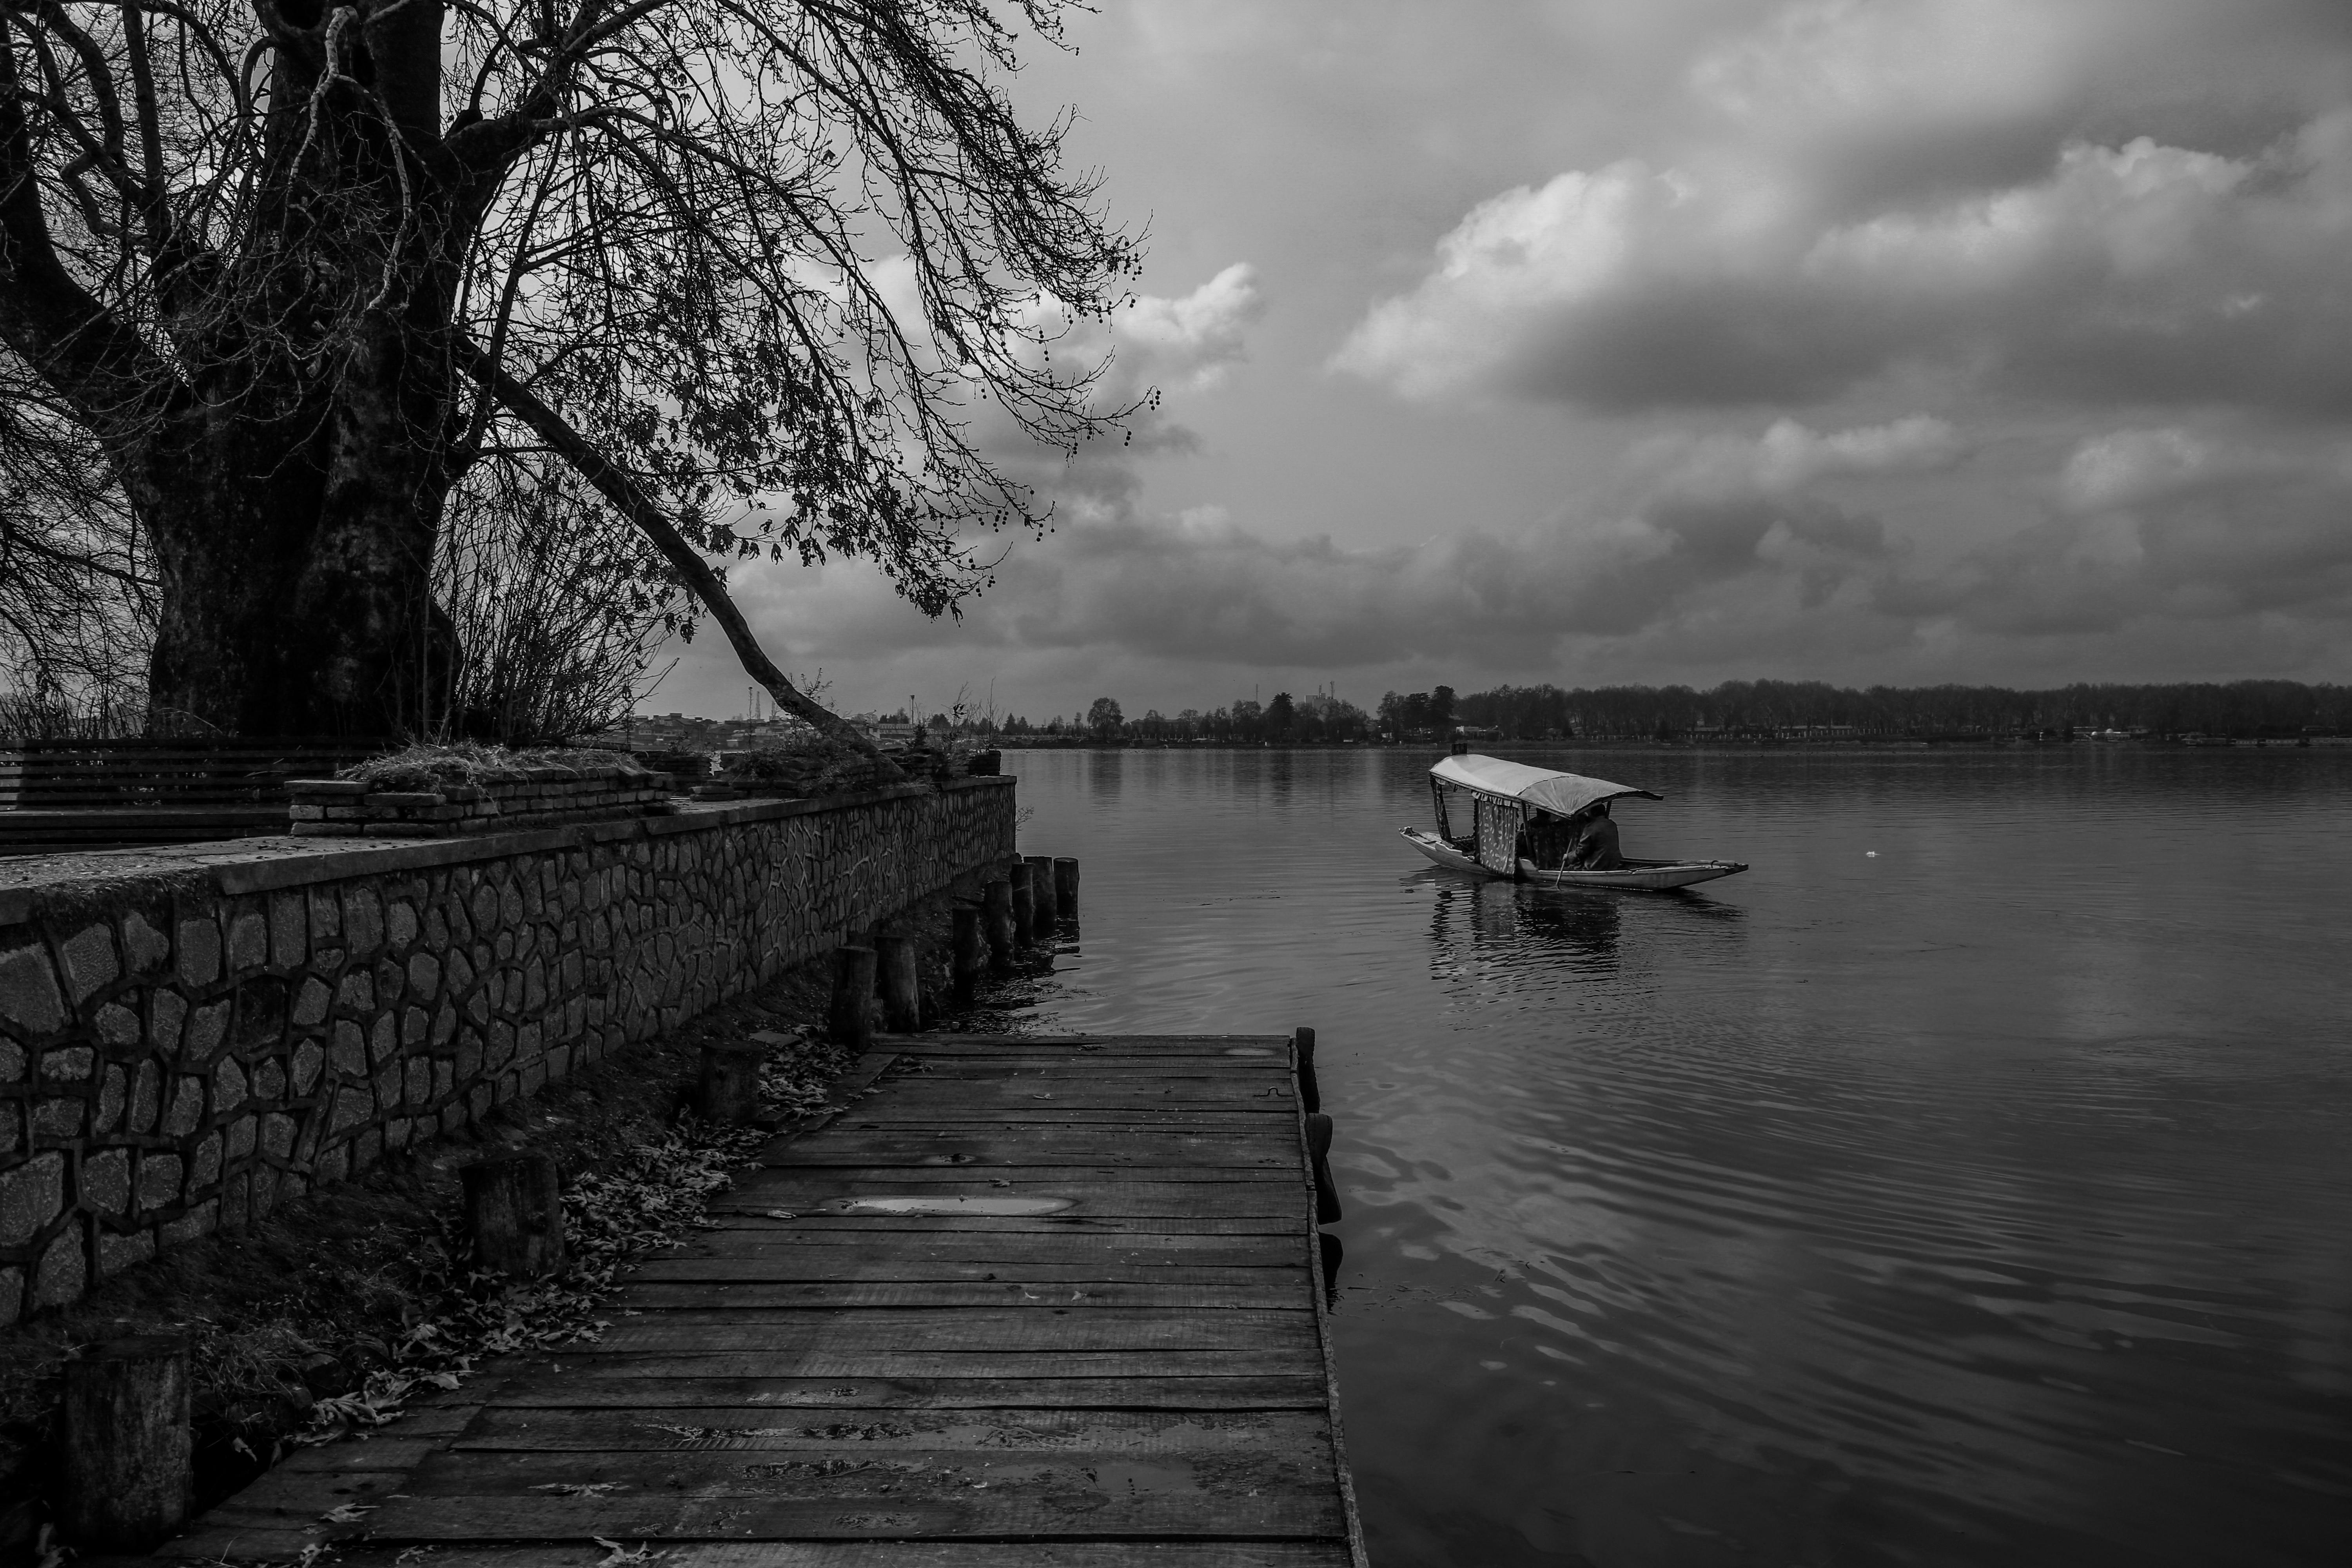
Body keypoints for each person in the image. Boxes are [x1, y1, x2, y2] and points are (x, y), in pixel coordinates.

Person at [1564, 800, 1626, 871]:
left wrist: (1568, 856)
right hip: (1614, 864)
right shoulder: (1612, 824)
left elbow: (1582, 851)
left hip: (1596, 865)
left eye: (1589, 813)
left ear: (1594, 813)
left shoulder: (1591, 828)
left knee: (1575, 865)